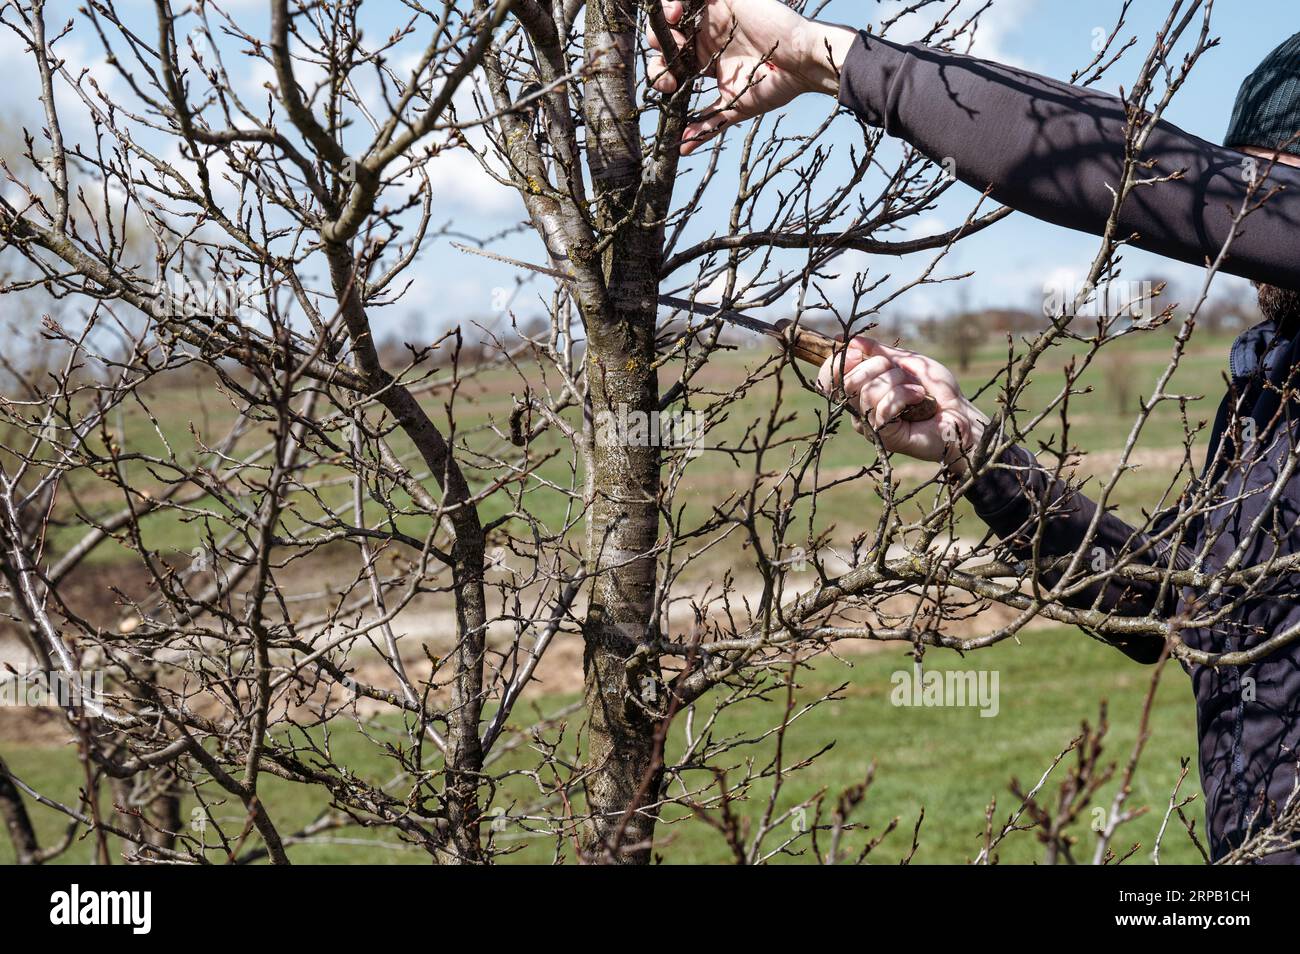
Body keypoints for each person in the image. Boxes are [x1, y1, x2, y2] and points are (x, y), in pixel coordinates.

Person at [649, 0, 1300, 862]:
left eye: (1268, 192)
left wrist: (822, 54)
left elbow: (1125, 166)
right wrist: (972, 449)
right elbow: (1173, 609)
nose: (1242, 239)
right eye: (1241, 182)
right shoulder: (1270, 392)